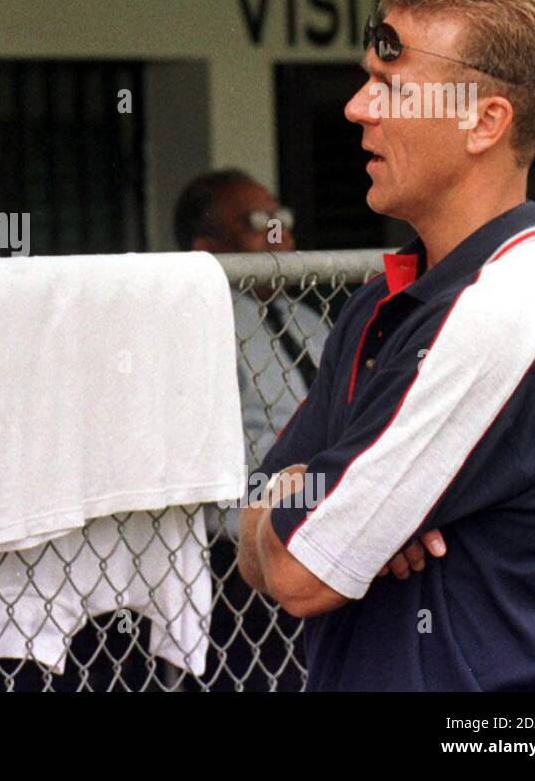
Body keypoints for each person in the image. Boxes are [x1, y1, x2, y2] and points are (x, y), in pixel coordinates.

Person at [239, 0, 535, 691]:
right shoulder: (386, 297)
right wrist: (333, 509)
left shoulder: (498, 305)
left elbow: (299, 572)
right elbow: (255, 532)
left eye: (392, 87)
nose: (357, 108)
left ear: (485, 121)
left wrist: (324, 510)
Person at [174, 169, 325, 690]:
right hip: (241, 549)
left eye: (282, 218)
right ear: (208, 249)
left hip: (329, 524)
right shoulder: (196, 326)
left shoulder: (310, 319)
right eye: (259, 224)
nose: (280, 234)